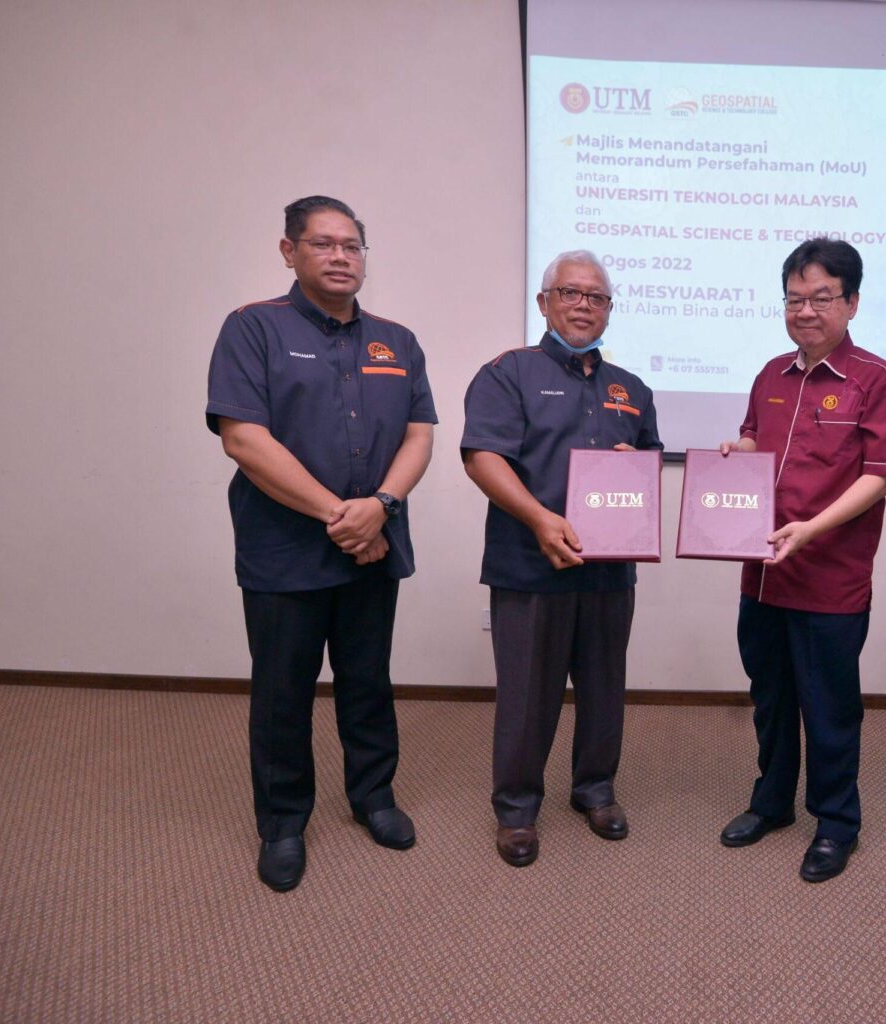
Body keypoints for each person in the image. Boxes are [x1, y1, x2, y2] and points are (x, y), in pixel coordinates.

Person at [206, 196, 437, 892]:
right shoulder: (253, 328)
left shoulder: (397, 341)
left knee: (368, 681)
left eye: (352, 246)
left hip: (376, 544)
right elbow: (244, 439)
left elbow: (419, 435)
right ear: (289, 251)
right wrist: (345, 517)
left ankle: (373, 797)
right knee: (284, 692)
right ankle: (282, 823)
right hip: (285, 551)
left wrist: (382, 507)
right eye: (323, 244)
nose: (341, 257)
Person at [717, 238, 886, 883]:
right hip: (761, 574)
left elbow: (881, 475)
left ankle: (836, 823)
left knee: (829, 708)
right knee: (771, 698)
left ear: (852, 303)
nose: (805, 310)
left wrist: (811, 529)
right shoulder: (770, 374)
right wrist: (738, 452)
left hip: (831, 578)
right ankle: (771, 803)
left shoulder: (878, 380)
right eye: (794, 299)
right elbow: (756, 440)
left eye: (821, 298)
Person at [462, 249, 662, 868]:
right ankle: (517, 810)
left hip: (609, 571)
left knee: (604, 688)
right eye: (570, 293)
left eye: (596, 297)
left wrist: (637, 465)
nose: (583, 305)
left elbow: (649, 466)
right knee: (527, 695)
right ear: (544, 302)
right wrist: (540, 519)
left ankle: (595, 790)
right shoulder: (507, 374)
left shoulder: (632, 388)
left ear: (609, 310)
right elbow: (482, 458)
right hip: (529, 564)